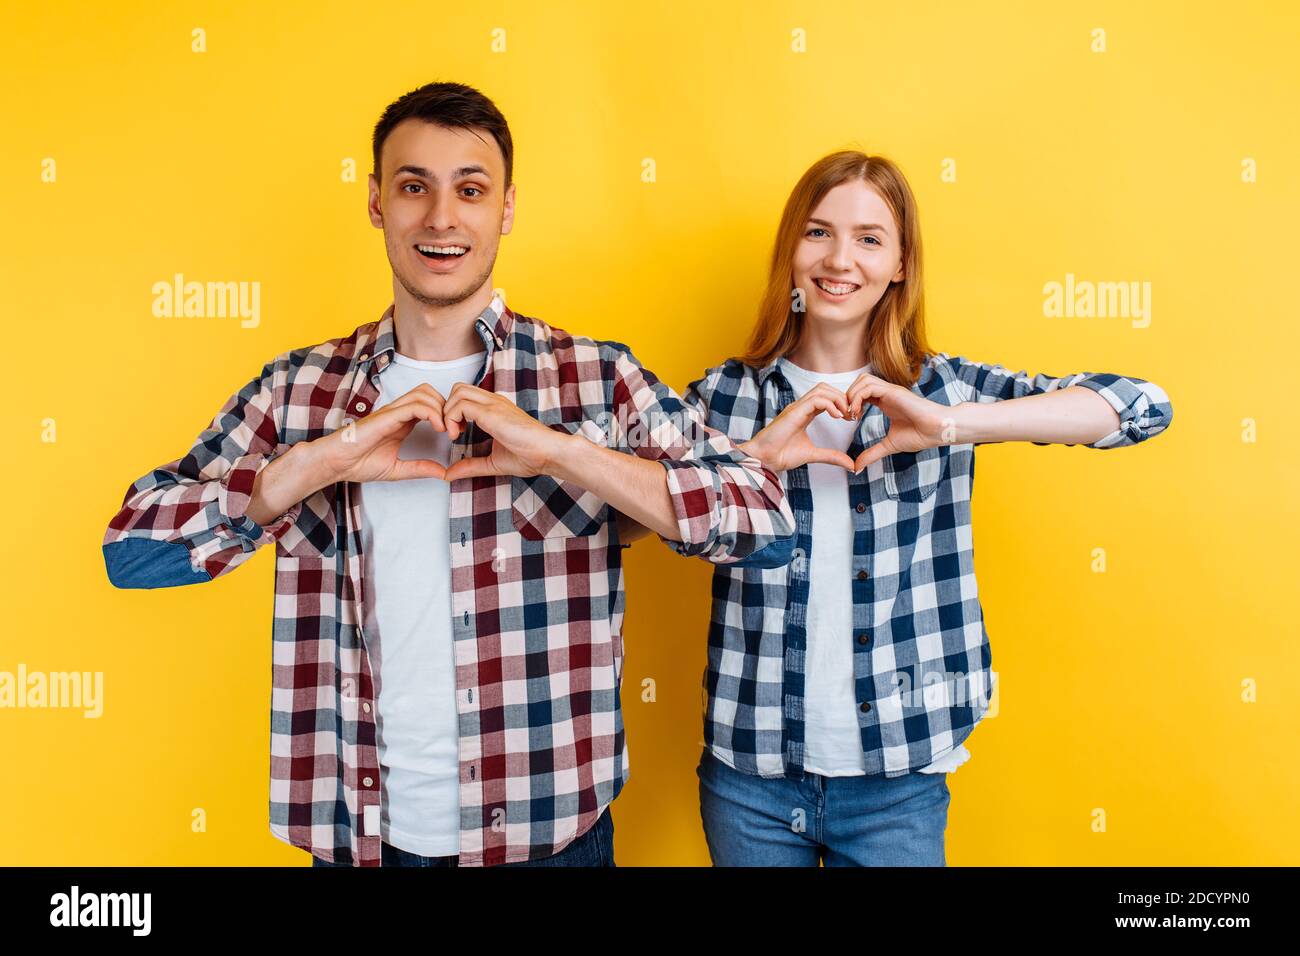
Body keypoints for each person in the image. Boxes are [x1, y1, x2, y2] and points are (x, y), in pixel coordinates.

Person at [101, 81, 794, 868]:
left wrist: (565, 453)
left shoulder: (594, 382)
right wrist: (305, 467)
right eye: (412, 187)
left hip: (550, 837)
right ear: (375, 204)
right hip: (359, 840)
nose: (440, 217)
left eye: (470, 189)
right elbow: (132, 554)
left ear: (504, 208)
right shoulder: (298, 391)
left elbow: (762, 520)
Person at [635, 149, 1174, 866]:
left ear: (899, 265)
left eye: (869, 238)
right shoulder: (721, 400)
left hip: (899, 782)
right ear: (790, 251)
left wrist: (952, 425)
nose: (839, 259)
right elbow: (627, 510)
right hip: (751, 778)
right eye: (818, 232)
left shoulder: (943, 389)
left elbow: (1143, 407)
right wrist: (749, 463)